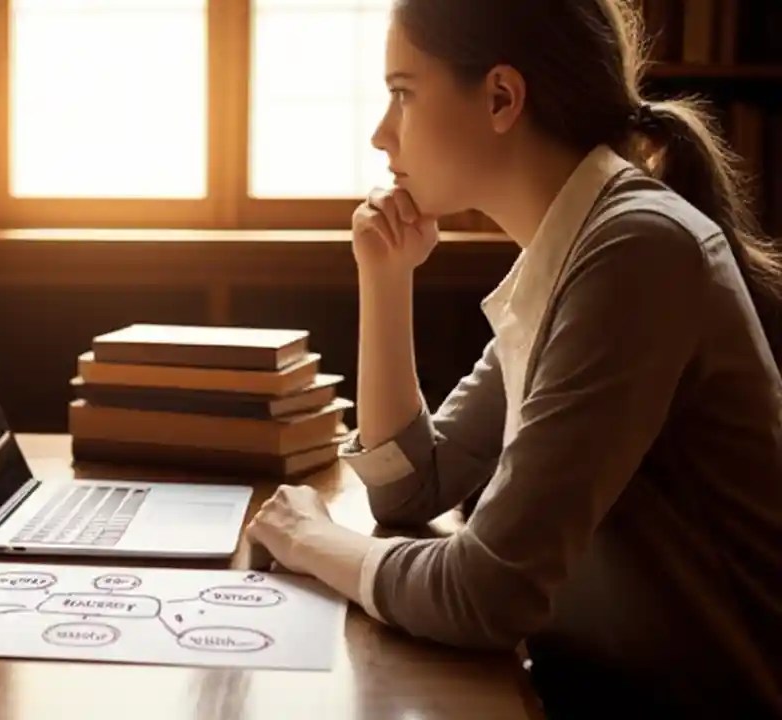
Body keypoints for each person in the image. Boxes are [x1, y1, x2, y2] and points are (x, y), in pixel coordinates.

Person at [244, 1, 782, 717]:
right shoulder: (576, 249)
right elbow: (412, 488)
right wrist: (386, 278)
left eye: (403, 92)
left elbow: (485, 593)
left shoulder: (637, 251)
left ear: (501, 97)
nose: (381, 133)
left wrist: (311, 539)